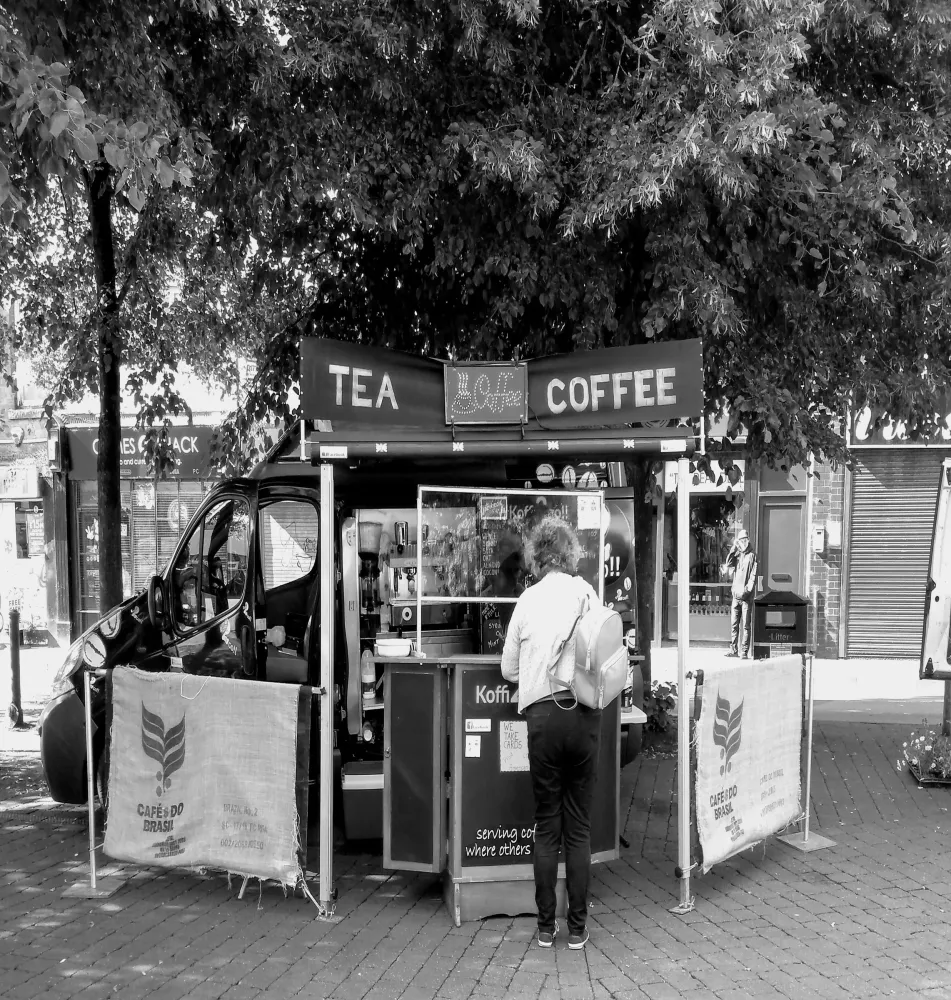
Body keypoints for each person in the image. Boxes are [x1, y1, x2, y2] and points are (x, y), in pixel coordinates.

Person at [500, 515, 601, 951]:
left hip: (541, 717)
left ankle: (545, 927)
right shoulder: (587, 595)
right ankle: (577, 928)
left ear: (538, 555)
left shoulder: (526, 600)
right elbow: (603, 656)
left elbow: (508, 669)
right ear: (571, 552)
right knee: (578, 828)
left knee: (547, 826)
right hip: (581, 716)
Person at [723, 528, 758, 658]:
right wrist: (734, 547)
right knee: (734, 624)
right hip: (735, 596)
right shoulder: (738, 554)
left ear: (747, 540)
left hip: (746, 597)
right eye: (740, 540)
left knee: (745, 626)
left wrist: (747, 591)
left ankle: (744, 651)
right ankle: (733, 650)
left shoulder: (752, 555)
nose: (742, 542)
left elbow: (753, 576)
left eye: (744, 540)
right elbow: (728, 563)